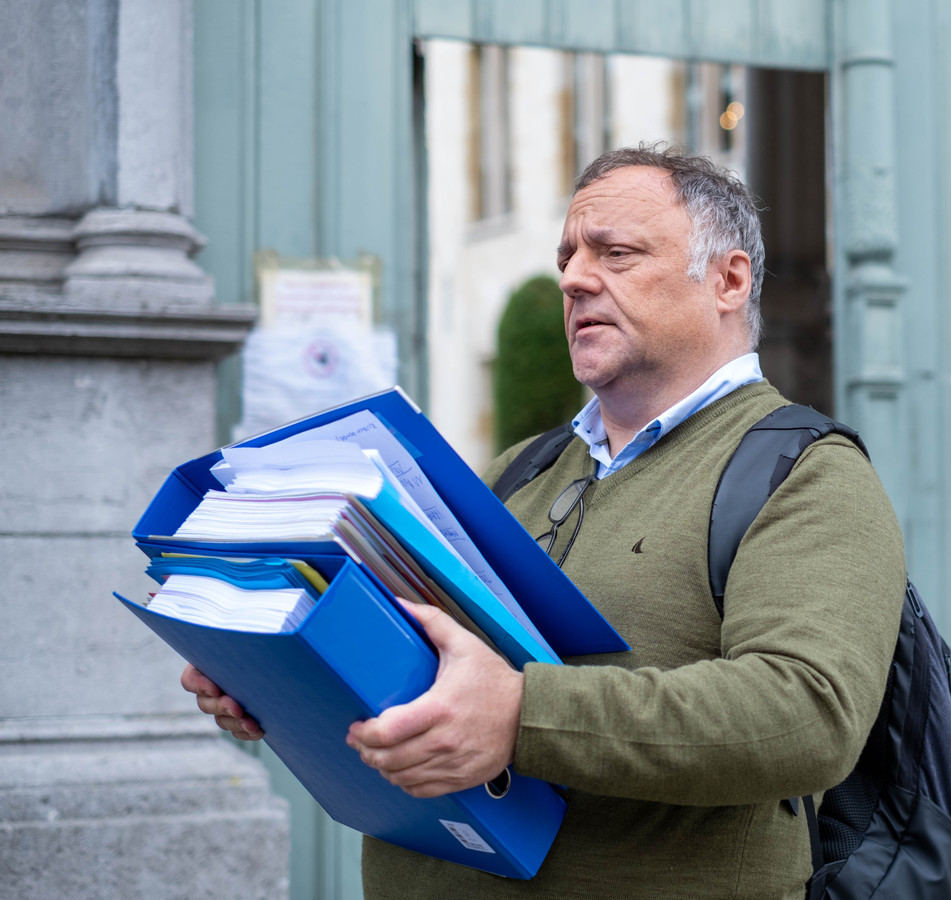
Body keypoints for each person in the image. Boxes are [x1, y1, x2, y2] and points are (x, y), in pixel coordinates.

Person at [183, 144, 906, 899]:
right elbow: (426, 674)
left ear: (728, 280)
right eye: (567, 256)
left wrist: (522, 714)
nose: (572, 278)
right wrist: (286, 679)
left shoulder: (806, 473)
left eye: (616, 253)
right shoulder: (523, 467)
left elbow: (807, 714)